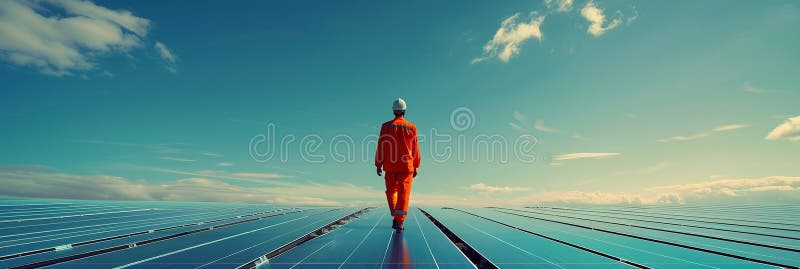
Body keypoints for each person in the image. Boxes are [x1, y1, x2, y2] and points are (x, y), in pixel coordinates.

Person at [375, 98, 420, 231]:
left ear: (394, 111)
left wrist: (378, 163)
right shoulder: (412, 127)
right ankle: (399, 220)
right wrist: (416, 165)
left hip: (390, 165)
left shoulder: (385, 126)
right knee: (403, 193)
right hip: (407, 166)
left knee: (391, 192)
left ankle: (396, 217)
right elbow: (415, 148)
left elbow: (381, 146)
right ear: (404, 111)